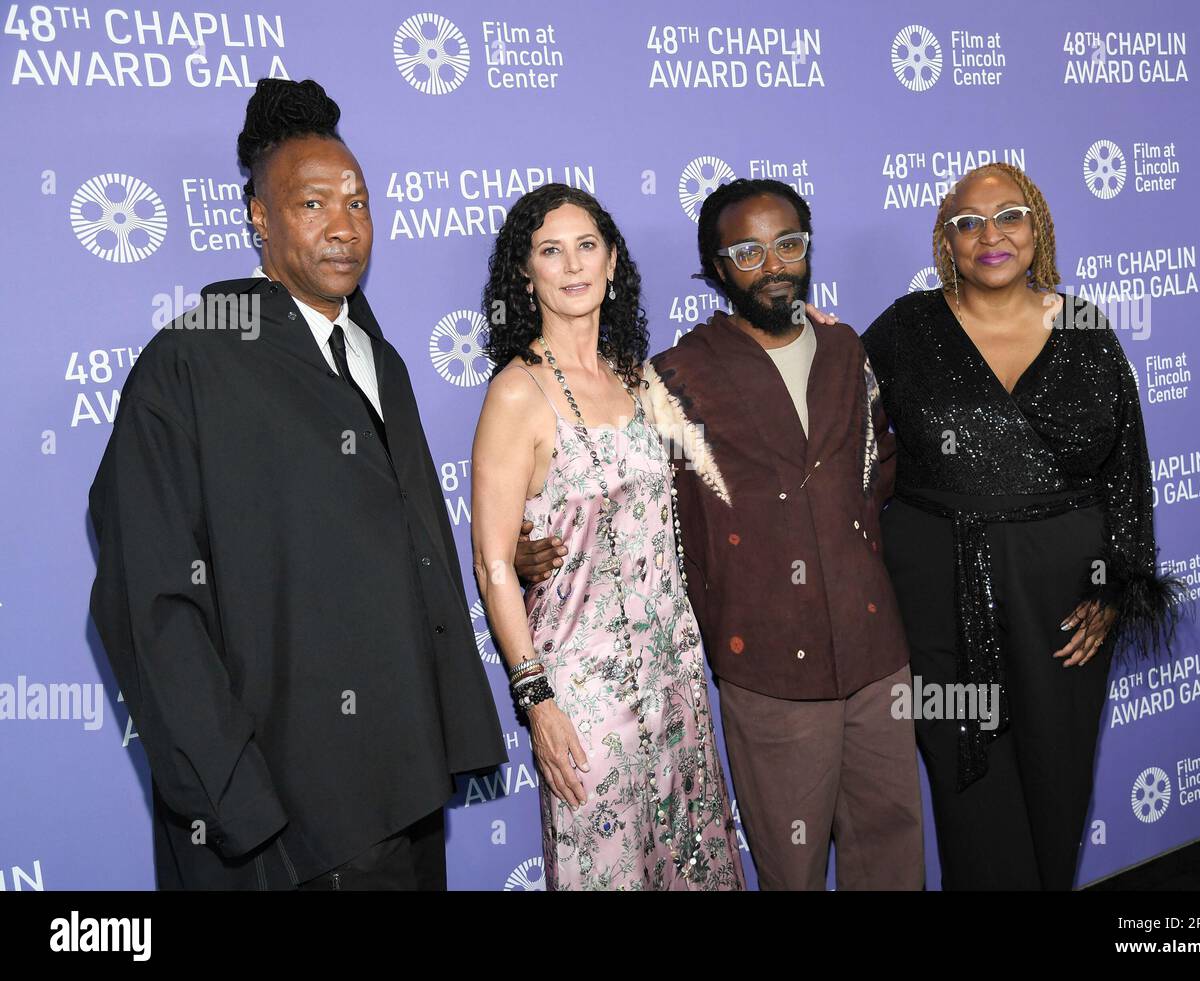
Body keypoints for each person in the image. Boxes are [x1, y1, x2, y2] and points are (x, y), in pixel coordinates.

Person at [88, 78, 505, 891]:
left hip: (405, 791)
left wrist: (451, 732)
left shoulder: (375, 358)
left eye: (358, 202)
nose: (344, 227)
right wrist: (238, 800)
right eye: (313, 203)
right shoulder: (190, 362)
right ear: (258, 217)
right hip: (284, 824)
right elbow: (152, 602)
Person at [516, 180, 923, 890]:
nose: (774, 265)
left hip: (875, 654)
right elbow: (618, 492)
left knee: (893, 855)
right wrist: (530, 548)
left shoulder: (845, 347)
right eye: (748, 250)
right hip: (767, 668)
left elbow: (880, 464)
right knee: (790, 867)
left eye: (789, 244)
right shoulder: (674, 377)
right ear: (714, 266)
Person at [861, 162, 1185, 890]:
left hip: (1064, 593)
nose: (990, 235)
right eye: (968, 222)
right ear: (948, 242)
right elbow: (844, 440)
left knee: (1056, 770)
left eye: (1009, 215)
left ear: (1037, 229)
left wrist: (1116, 586)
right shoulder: (906, 329)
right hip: (938, 584)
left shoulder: (1086, 329)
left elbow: (1125, 468)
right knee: (966, 778)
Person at [471, 184, 744, 890]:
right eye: (550, 251)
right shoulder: (516, 392)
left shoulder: (638, 379)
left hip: (676, 678)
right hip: (585, 695)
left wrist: (809, 327)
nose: (572, 266)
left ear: (613, 261)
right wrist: (537, 698)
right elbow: (494, 561)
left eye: (586, 246)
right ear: (525, 274)